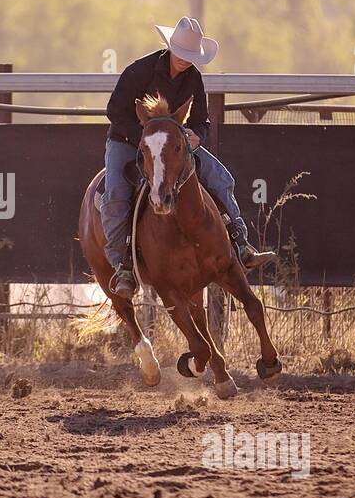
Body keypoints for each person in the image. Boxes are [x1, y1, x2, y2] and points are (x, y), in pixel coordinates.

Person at [103, 16, 276, 298]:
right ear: (170, 48)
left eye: (190, 56)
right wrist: (145, 141)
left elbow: (201, 121)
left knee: (220, 177)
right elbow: (115, 111)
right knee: (115, 193)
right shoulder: (140, 70)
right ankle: (122, 264)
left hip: (174, 145)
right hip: (128, 141)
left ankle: (241, 244)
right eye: (181, 54)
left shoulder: (193, 78)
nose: (185, 61)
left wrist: (197, 135)